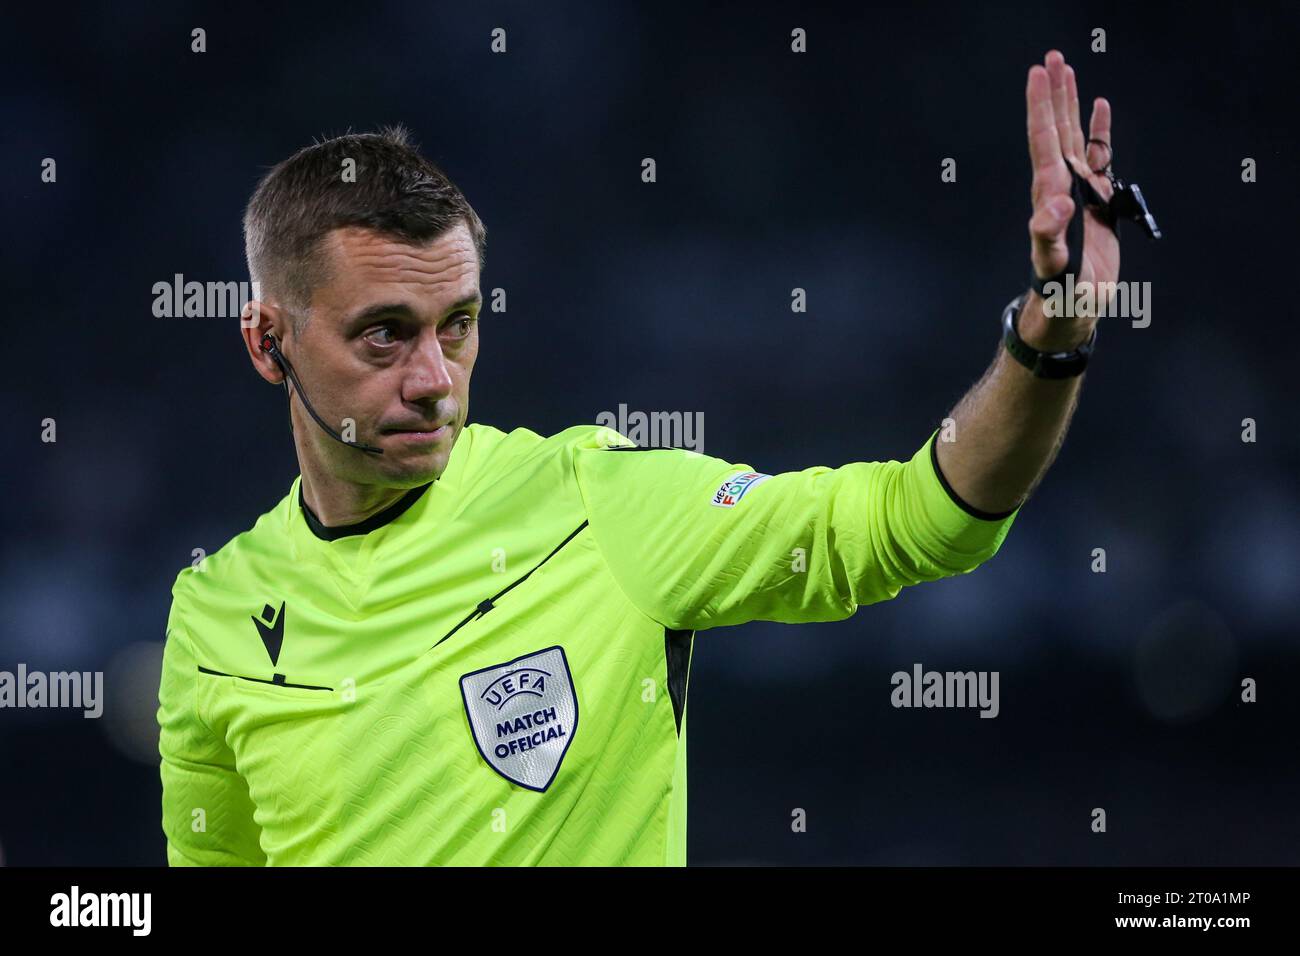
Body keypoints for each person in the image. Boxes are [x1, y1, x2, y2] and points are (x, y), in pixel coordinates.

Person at [158, 49, 1119, 865]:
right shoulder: (214, 619)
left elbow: (918, 518)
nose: (434, 380)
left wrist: (1047, 340)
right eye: (382, 335)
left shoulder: (596, 501)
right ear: (267, 340)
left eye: (457, 327)